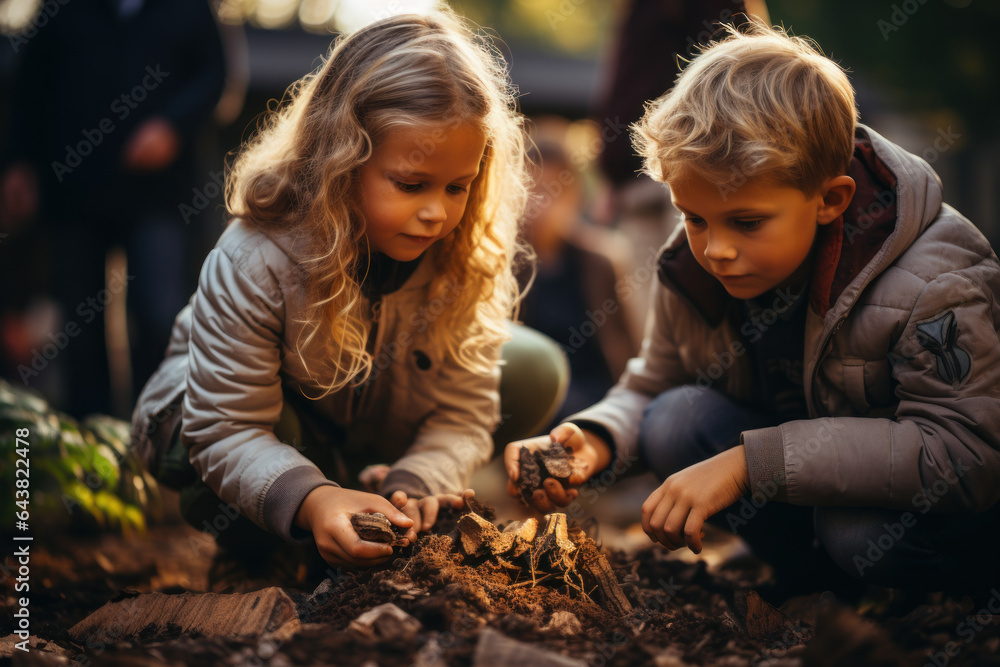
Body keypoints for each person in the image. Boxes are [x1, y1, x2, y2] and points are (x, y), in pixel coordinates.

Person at [505, 18, 1000, 596]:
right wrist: (596, 440)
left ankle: (948, 601)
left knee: (859, 535)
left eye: (747, 222)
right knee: (675, 418)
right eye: (694, 218)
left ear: (830, 200)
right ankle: (809, 584)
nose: (716, 249)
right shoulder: (693, 264)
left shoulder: (933, 277)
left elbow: (967, 453)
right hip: (808, 492)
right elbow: (653, 384)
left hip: (918, 515)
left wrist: (752, 463)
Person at [131, 10, 551, 577]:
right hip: (220, 421)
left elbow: (463, 413)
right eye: (410, 184)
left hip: (359, 423)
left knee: (532, 366)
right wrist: (313, 499)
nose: (436, 212)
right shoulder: (257, 254)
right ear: (342, 159)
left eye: (458, 186)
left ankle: (359, 488)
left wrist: (418, 481)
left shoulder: (465, 253)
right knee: (229, 464)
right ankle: (274, 537)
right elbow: (225, 426)